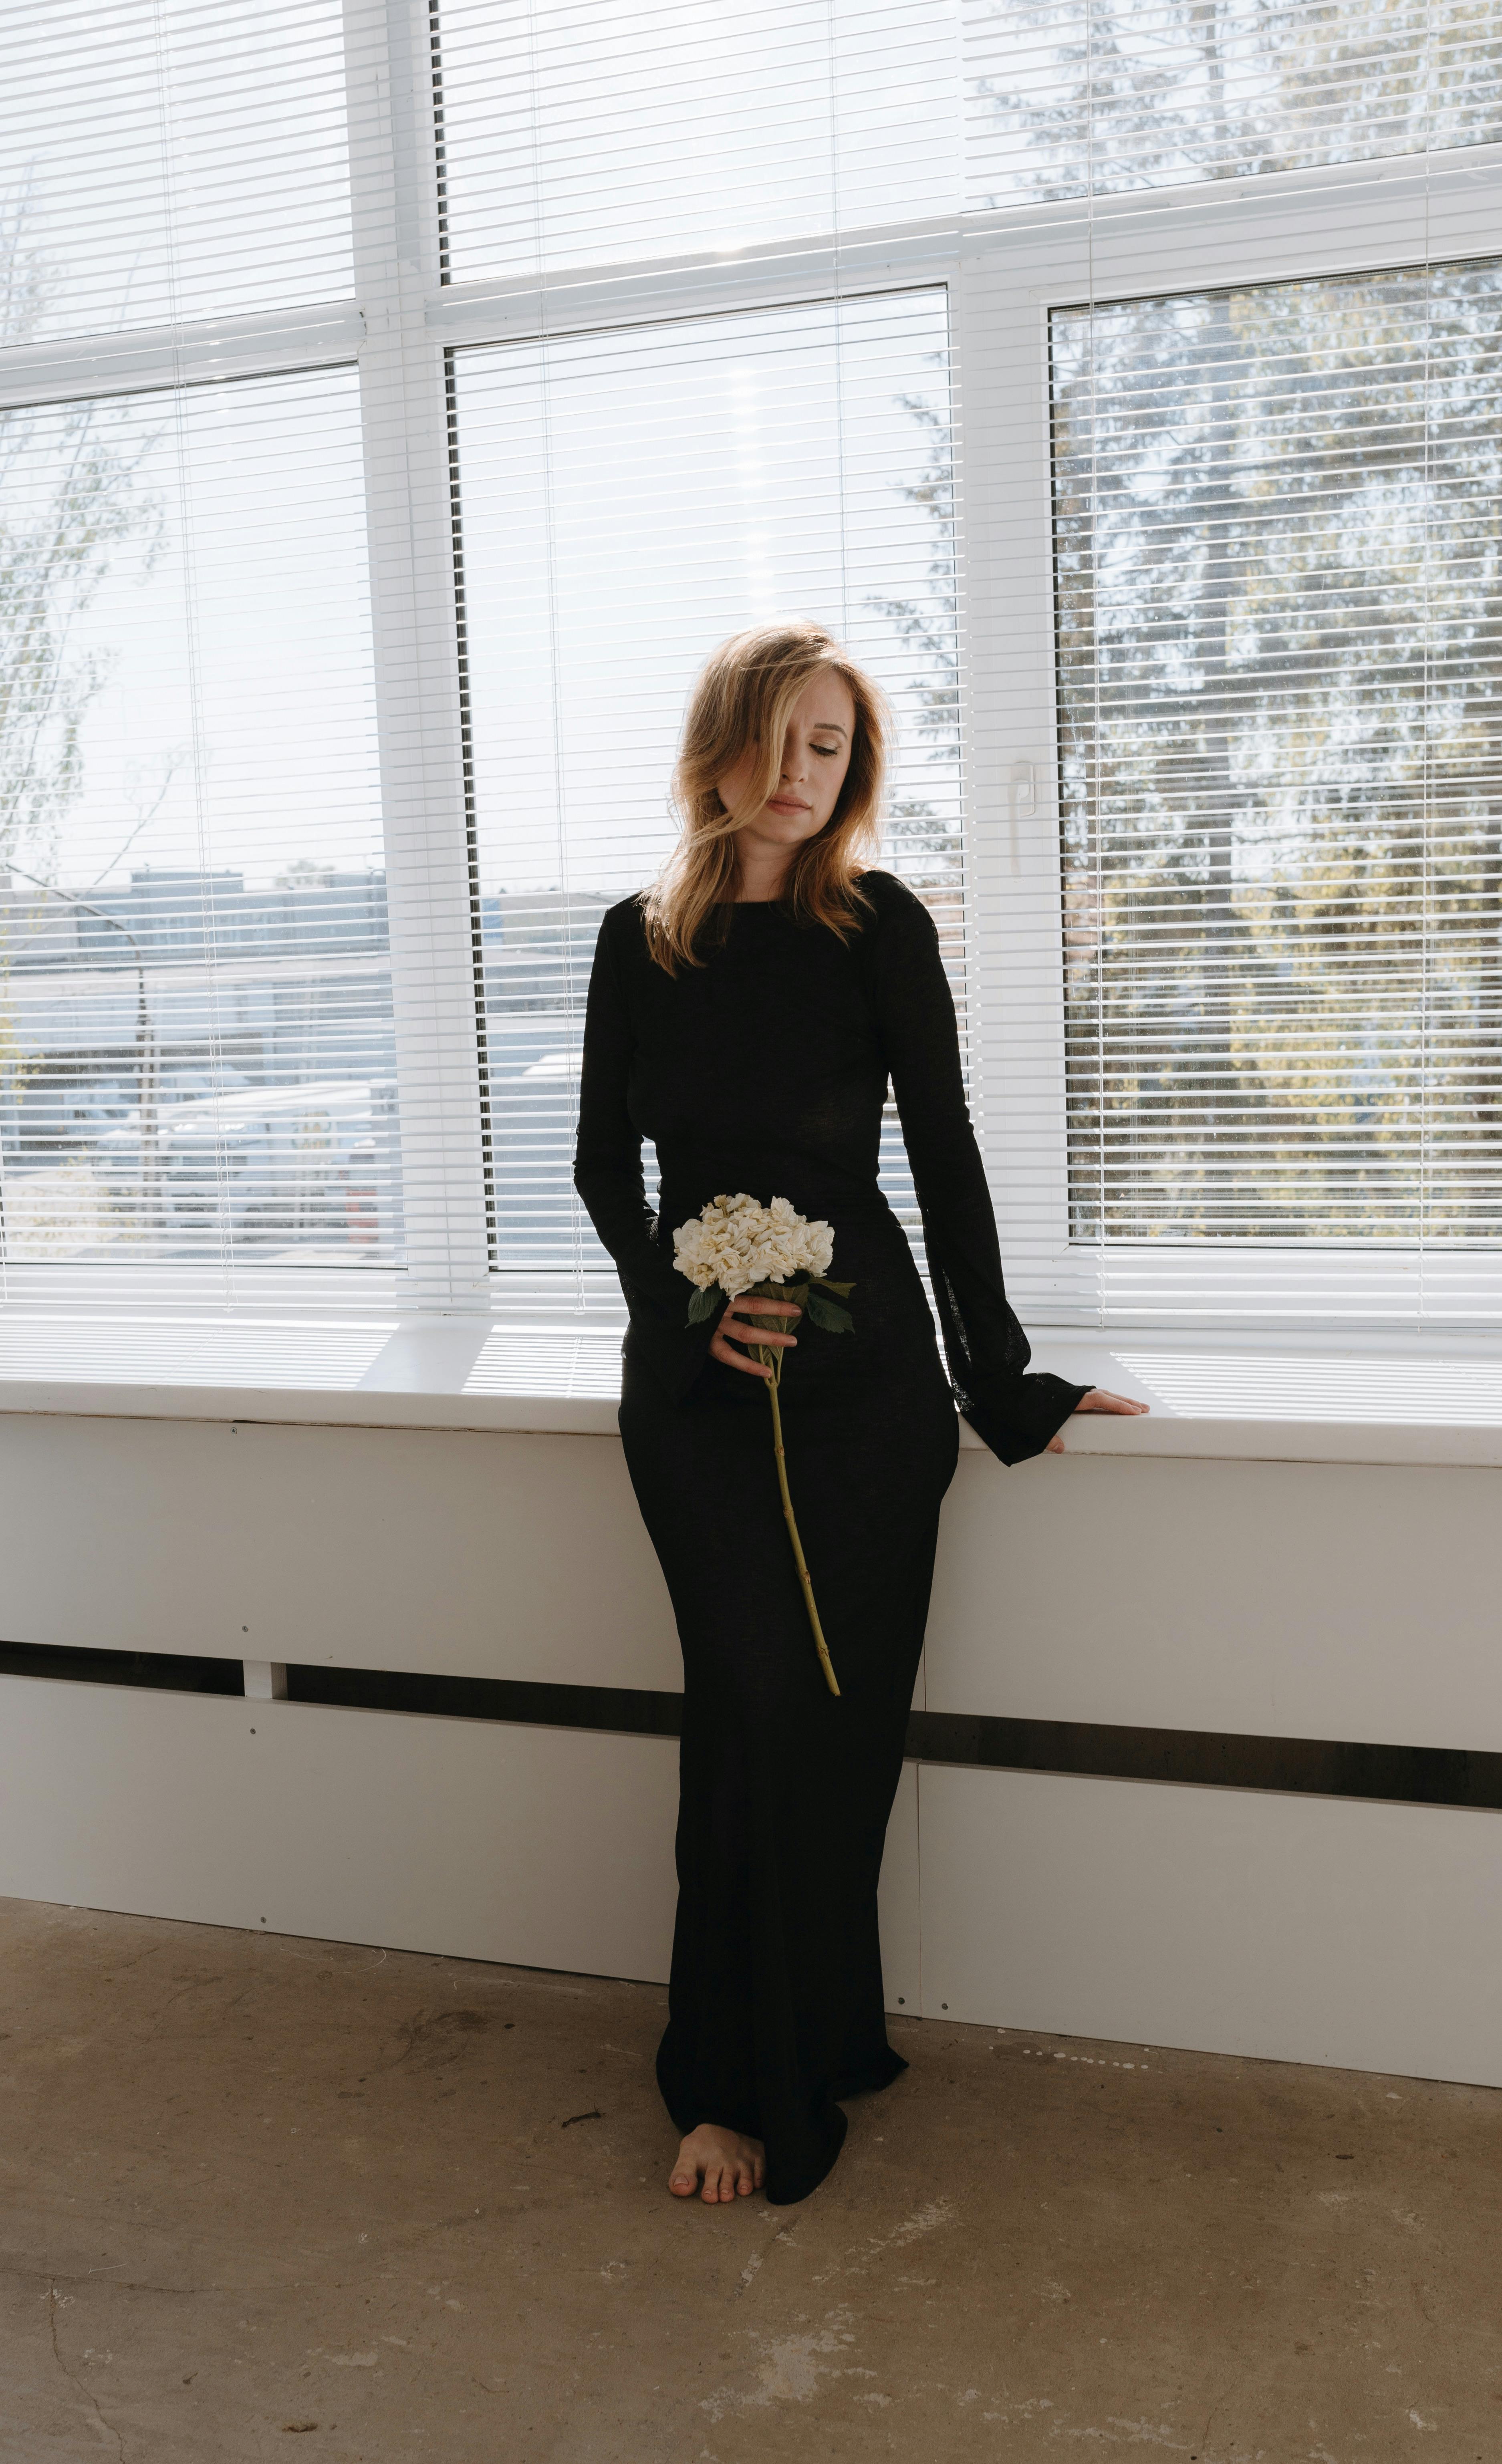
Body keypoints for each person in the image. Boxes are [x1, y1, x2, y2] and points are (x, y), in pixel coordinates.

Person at [573, 622, 1145, 2208]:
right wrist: (688, 1311)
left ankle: (814, 2033)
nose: (802, 771)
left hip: (866, 1395)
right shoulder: (639, 937)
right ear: (721, 746)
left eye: (831, 746)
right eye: (779, 737)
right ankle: (727, 2085)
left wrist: (1003, 1371)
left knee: (835, 1735)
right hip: (697, 1395)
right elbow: (599, 1169)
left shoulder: (878, 924)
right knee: (748, 1721)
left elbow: (945, 1152)